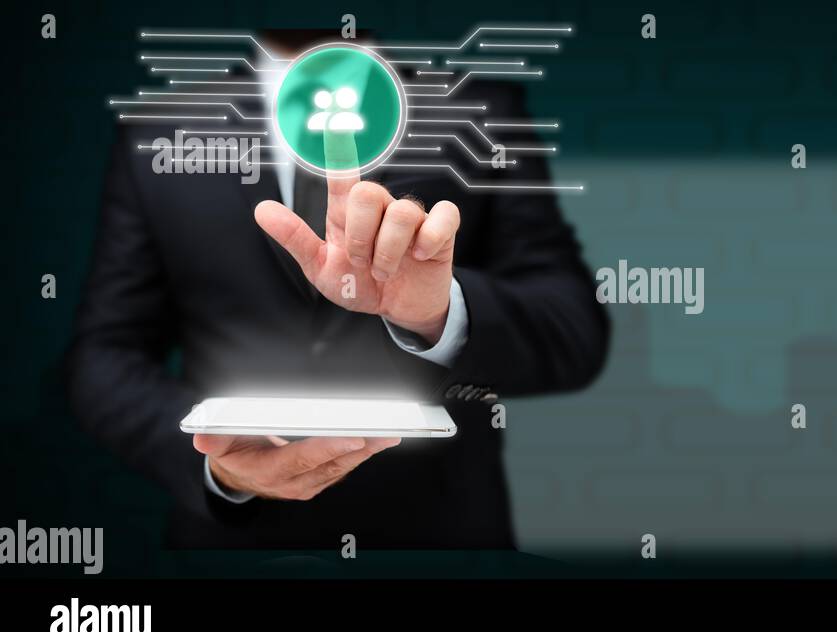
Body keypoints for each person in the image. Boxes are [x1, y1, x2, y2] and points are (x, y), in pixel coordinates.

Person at [65, 31, 608, 549]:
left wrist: (439, 313)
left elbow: (573, 326)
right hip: (229, 547)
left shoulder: (475, 107)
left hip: (440, 541)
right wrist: (212, 462)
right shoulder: (162, 128)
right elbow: (104, 354)